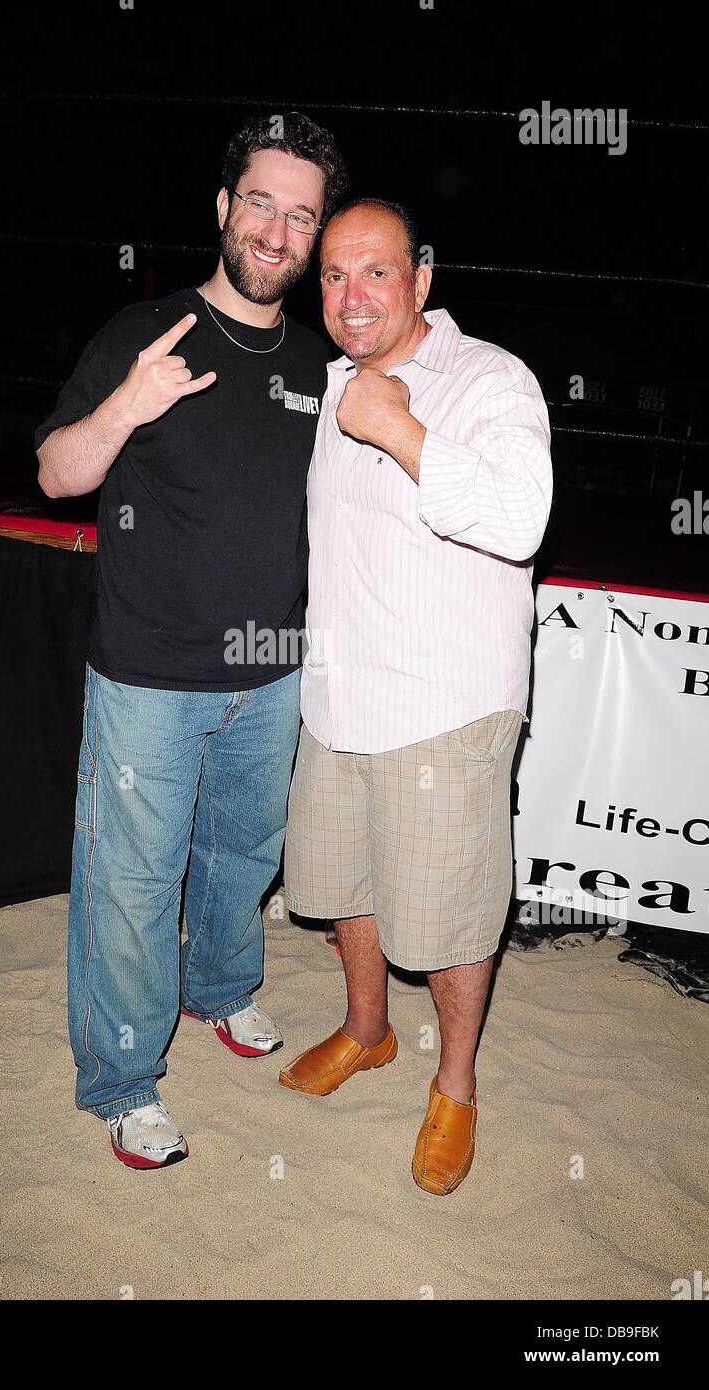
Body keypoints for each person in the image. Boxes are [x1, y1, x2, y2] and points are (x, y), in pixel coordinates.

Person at [35, 113, 348, 1169]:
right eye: (258, 201)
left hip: (272, 679)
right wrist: (127, 404)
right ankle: (123, 1081)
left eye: (299, 213)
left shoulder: (319, 365)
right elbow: (56, 475)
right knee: (130, 882)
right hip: (148, 680)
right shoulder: (144, 333)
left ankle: (220, 989)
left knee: (241, 858)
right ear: (221, 209)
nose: (275, 229)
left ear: (312, 238)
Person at [279, 198, 553, 1195]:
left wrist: (399, 427)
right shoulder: (324, 385)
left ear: (420, 280)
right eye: (334, 276)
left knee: (445, 915)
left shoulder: (491, 379)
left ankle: (457, 1081)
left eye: (376, 273)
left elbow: (520, 520)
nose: (352, 296)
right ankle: (366, 1031)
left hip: (444, 707)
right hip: (339, 698)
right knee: (342, 884)